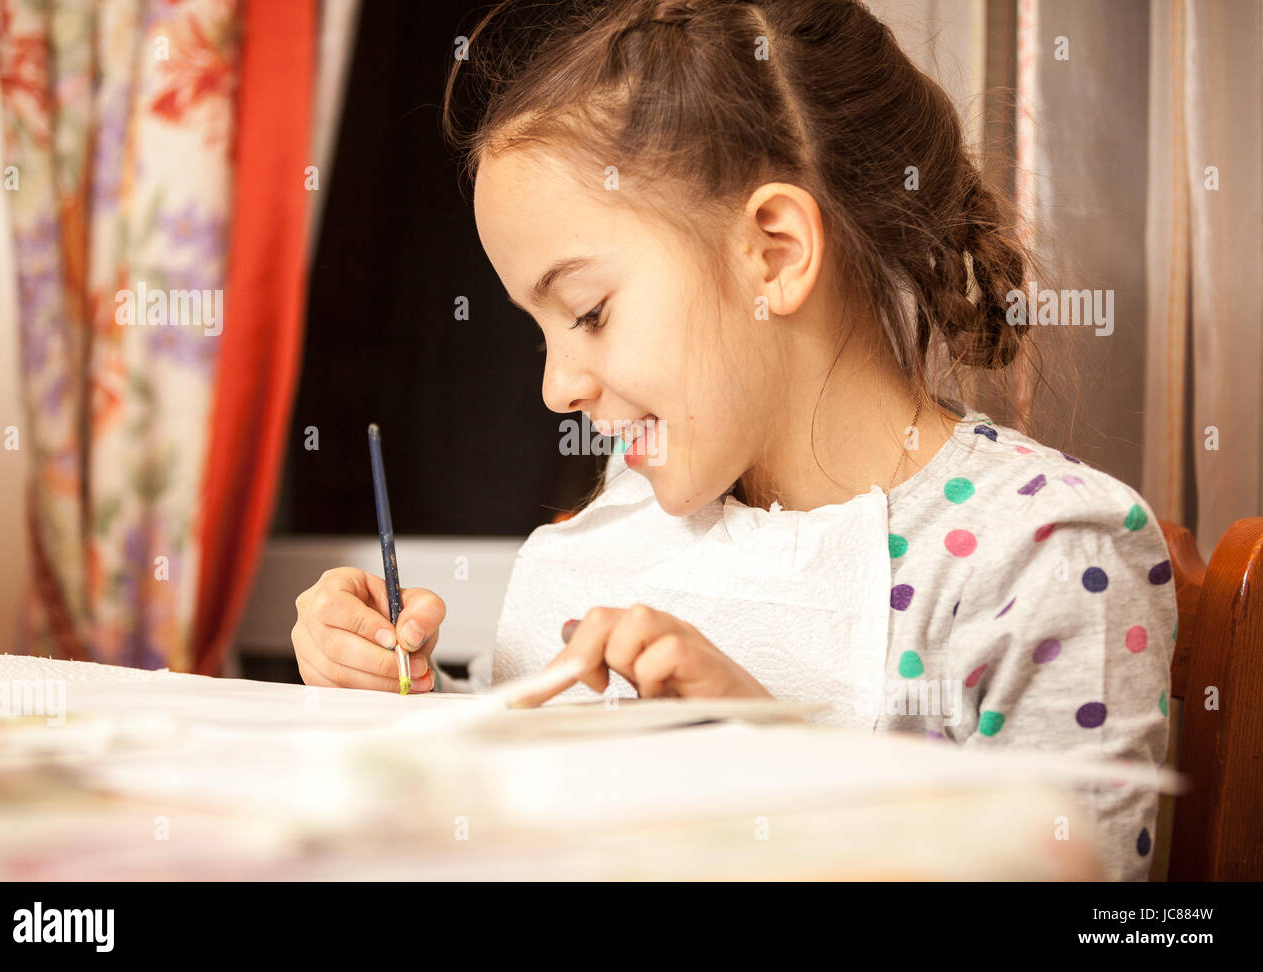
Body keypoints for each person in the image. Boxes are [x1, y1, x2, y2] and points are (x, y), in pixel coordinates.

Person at [292, 0, 1176, 880]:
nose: (556, 387)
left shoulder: (1038, 560)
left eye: (590, 313)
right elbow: (509, 815)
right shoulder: (611, 534)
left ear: (776, 253)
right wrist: (401, 697)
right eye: (542, 330)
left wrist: (779, 774)